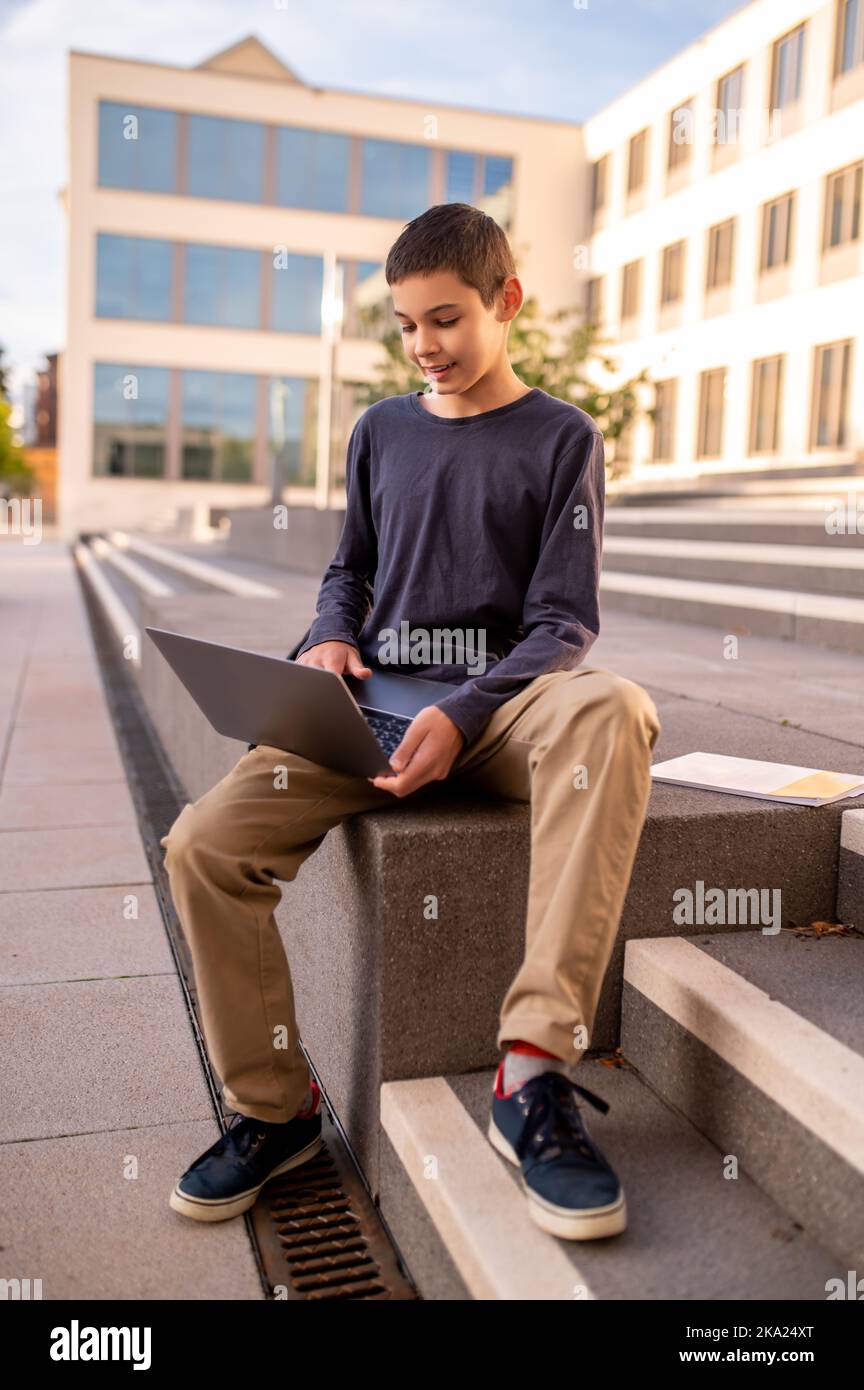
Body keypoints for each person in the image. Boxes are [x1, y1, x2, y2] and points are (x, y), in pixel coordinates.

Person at [161, 202, 661, 1242]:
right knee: (200, 845)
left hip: (506, 709)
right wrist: (327, 642)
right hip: (371, 713)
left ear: (506, 302)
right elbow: (349, 571)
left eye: (446, 318)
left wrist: (469, 707)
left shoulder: (563, 437)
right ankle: (276, 1107)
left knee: (616, 705)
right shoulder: (379, 431)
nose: (425, 345)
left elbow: (564, 620)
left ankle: (528, 1075)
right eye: (406, 325)